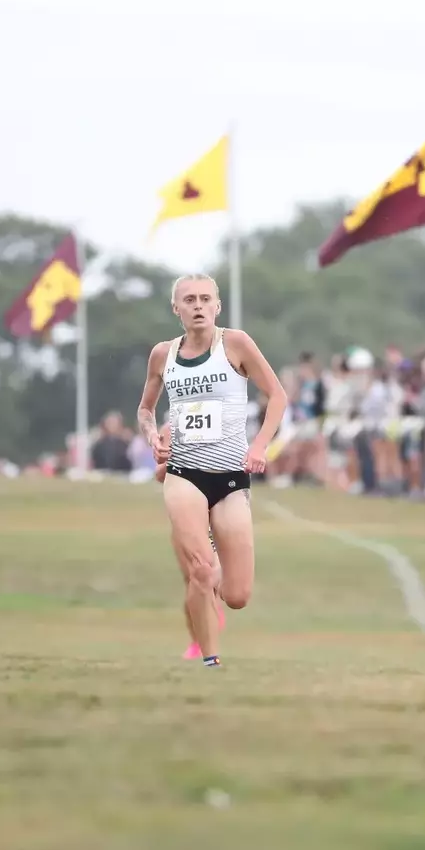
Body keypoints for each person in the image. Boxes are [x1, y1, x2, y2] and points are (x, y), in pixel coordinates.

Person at [135, 274, 287, 668]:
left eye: (205, 299)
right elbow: (145, 410)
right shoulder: (162, 355)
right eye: (189, 300)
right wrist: (153, 436)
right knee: (201, 570)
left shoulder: (235, 344)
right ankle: (209, 660)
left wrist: (259, 446)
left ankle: (214, 587)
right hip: (183, 473)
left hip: (231, 478)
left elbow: (278, 396)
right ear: (176, 308)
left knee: (237, 595)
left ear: (217, 306)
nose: (198, 306)